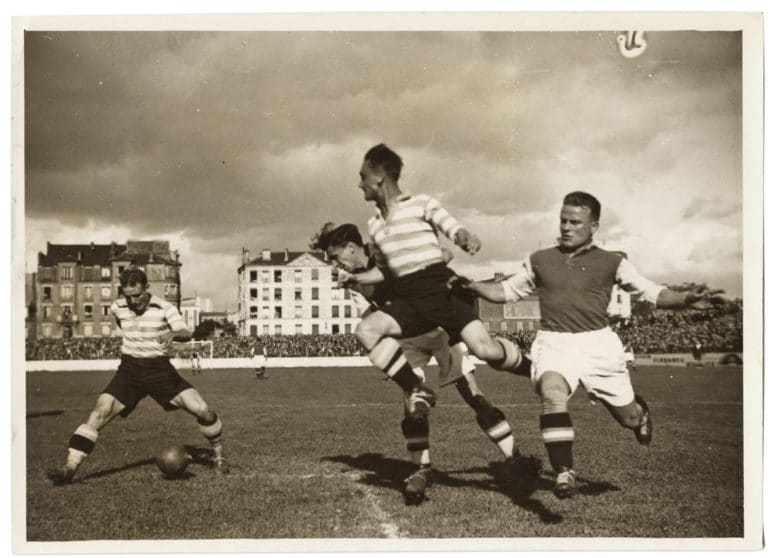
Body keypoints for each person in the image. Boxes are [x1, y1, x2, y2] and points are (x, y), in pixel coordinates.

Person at [453, 191, 726, 498]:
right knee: (551, 392)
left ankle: (640, 413)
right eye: (563, 220)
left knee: (629, 418)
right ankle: (564, 472)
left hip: (599, 346)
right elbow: (505, 291)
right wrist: (472, 284)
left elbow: (653, 293)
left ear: (594, 226)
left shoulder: (613, 262)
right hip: (555, 342)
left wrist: (687, 299)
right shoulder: (539, 261)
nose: (566, 227)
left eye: (575, 222)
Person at [312, 222, 540, 504]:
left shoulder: (385, 251)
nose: (337, 264)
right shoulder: (354, 284)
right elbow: (375, 317)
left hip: (440, 325)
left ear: (351, 247)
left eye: (336, 257)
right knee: (412, 410)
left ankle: (514, 457)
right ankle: (422, 469)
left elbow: (444, 254)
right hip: (409, 336)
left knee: (475, 397)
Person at [339, 144, 527, 421]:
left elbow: (451, 227)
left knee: (485, 350)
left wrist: (464, 237)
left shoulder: (421, 203)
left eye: (362, 176)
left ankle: (534, 370)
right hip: (410, 300)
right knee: (366, 331)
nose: (359, 183)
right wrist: (354, 278)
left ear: (379, 177)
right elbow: (383, 271)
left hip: (440, 292)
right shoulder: (375, 225)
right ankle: (417, 390)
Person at [47, 267, 229, 485]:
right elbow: (122, 323)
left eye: (138, 295)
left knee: (204, 411)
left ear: (147, 288)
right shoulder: (117, 307)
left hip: (160, 371)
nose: (133, 301)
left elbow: (186, 331)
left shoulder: (164, 307)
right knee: (99, 412)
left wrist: (173, 334)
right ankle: (69, 468)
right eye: (128, 296)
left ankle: (219, 456)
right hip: (129, 372)